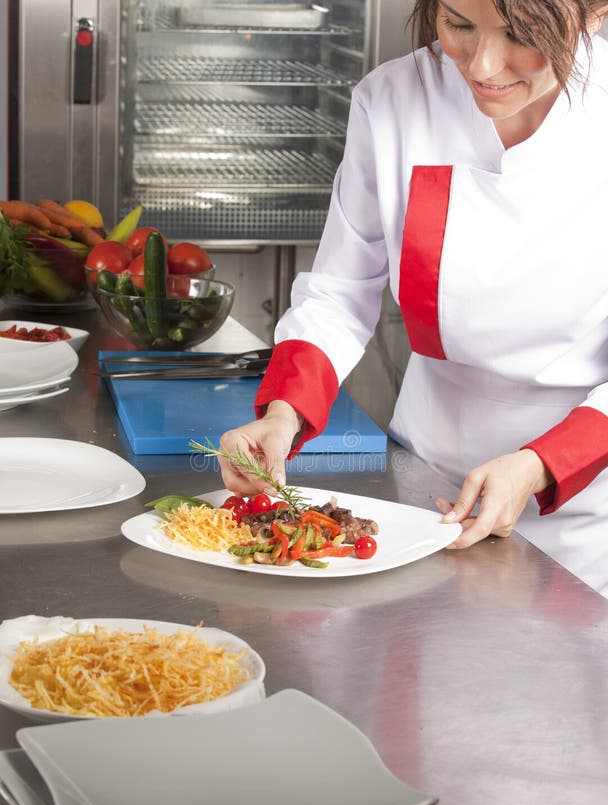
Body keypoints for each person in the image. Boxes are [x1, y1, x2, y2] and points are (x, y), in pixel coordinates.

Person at [218, 0, 608, 598]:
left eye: (522, 35)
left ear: (593, 13)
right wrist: (281, 415)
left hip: (585, 517)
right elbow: (340, 289)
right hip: (420, 488)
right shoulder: (395, 99)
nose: (482, 64)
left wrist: (536, 466)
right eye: (458, 25)